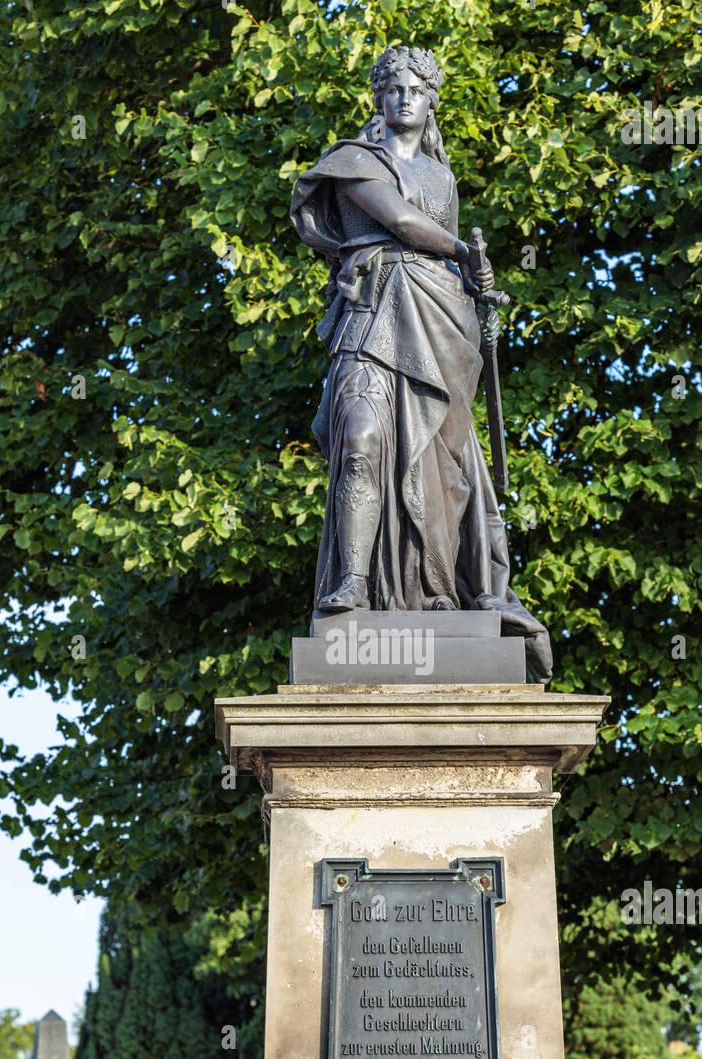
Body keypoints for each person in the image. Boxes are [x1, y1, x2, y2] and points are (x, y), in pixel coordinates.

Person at [290, 44, 552, 682]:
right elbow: (403, 223)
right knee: (361, 436)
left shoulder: (444, 178)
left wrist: (480, 293)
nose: (405, 98)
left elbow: (446, 258)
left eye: (418, 89)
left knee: (439, 463)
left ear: (432, 99)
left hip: (440, 324)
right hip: (373, 310)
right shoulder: (354, 162)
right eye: (394, 88)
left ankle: (431, 589)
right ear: (377, 97)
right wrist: (465, 249)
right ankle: (350, 588)